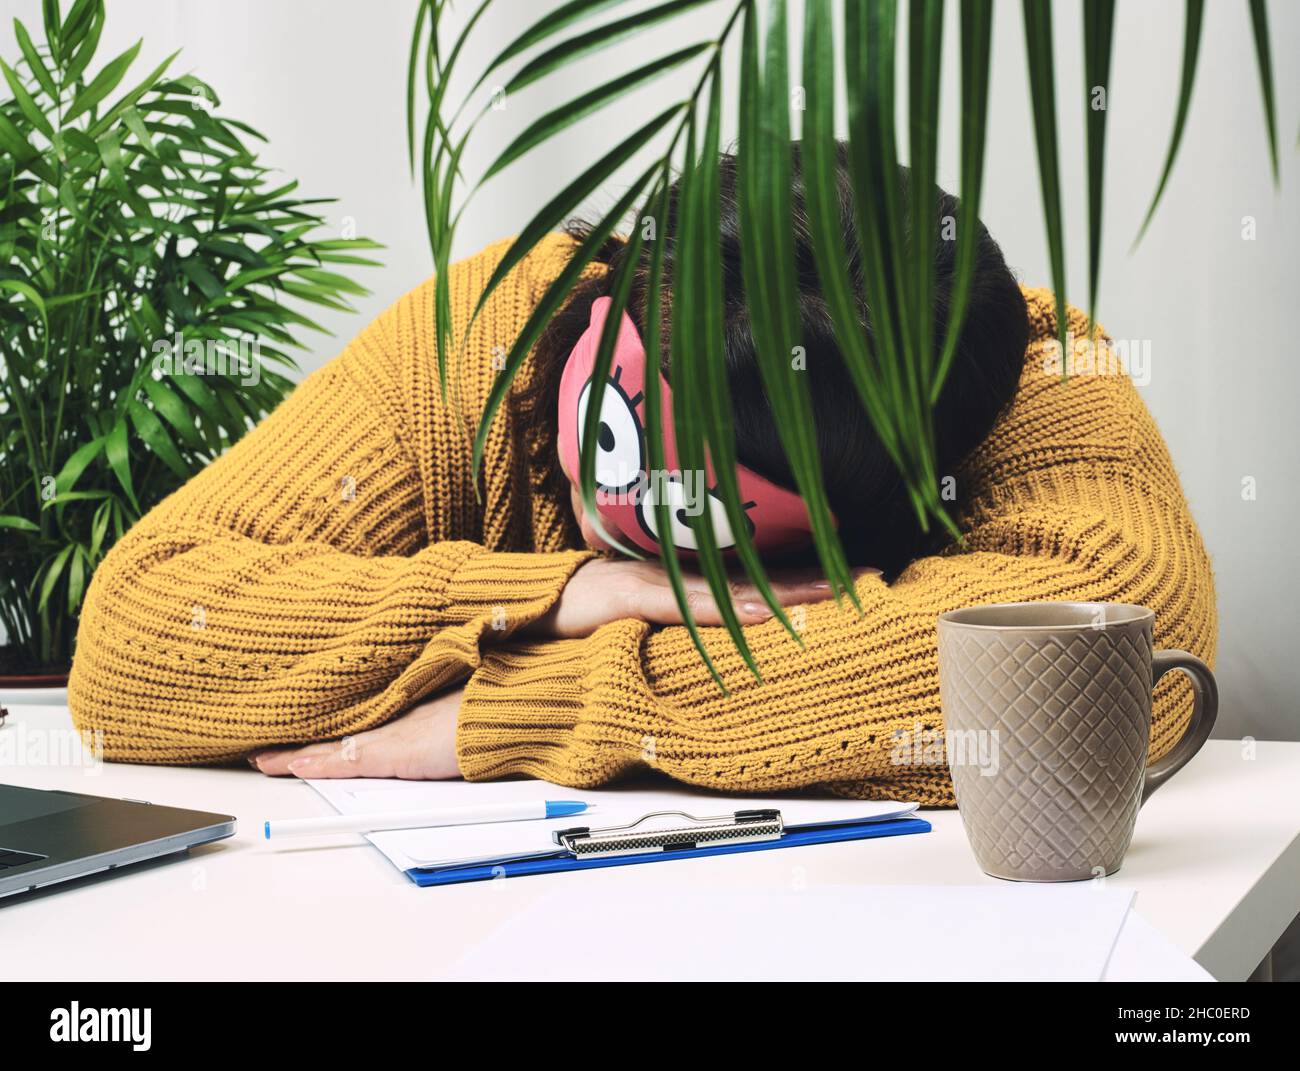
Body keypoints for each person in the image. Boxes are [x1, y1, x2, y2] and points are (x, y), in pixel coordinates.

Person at [68, 147, 1216, 806]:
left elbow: (1114, 679)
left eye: (698, 519)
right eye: (610, 438)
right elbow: (136, 635)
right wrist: (555, 595)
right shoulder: (487, 335)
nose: (613, 523)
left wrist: (517, 708)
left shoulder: (1025, 375)